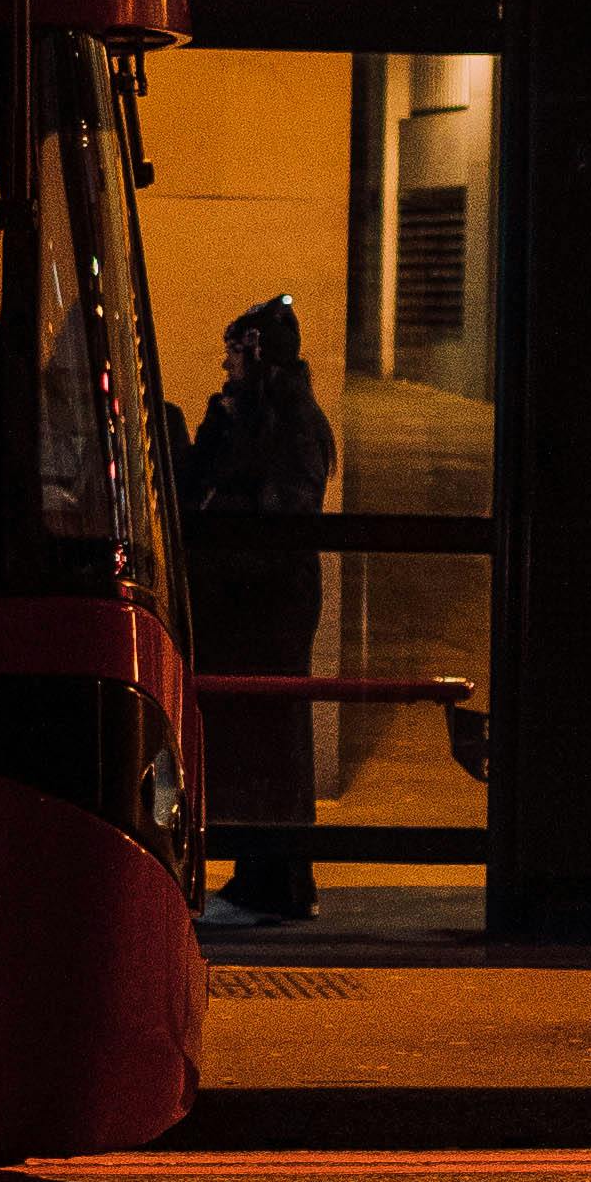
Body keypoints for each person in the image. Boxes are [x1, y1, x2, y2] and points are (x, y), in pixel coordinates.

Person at [186, 290, 338, 931]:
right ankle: (257, 871)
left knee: (273, 734)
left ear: (258, 356)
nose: (225, 366)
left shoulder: (290, 422)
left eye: (233, 353)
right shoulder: (242, 415)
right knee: (250, 736)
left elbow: (285, 507)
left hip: (268, 599)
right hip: (243, 597)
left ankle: (278, 878)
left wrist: (230, 488)